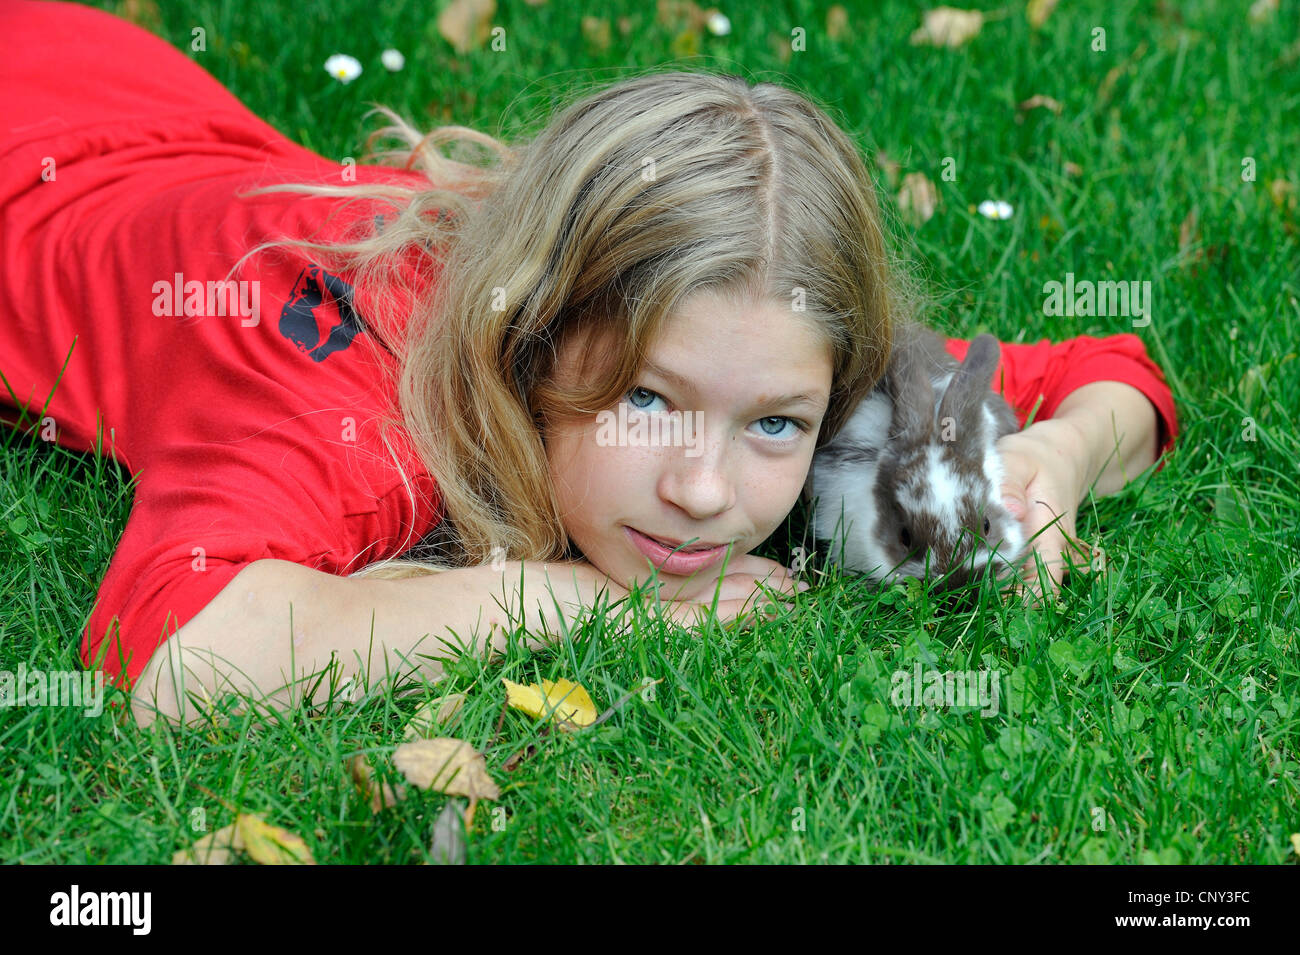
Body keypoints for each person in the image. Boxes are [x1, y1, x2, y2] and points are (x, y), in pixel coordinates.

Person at [1, 1, 1178, 727]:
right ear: (536, 335)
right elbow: (166, 658)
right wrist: (575, 599)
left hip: (133, 96)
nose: (703, 493)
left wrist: (1048, 464)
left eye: (775, 425)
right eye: (648, 400)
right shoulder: (352, 405)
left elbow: (1108, 368)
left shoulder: (751, 329)